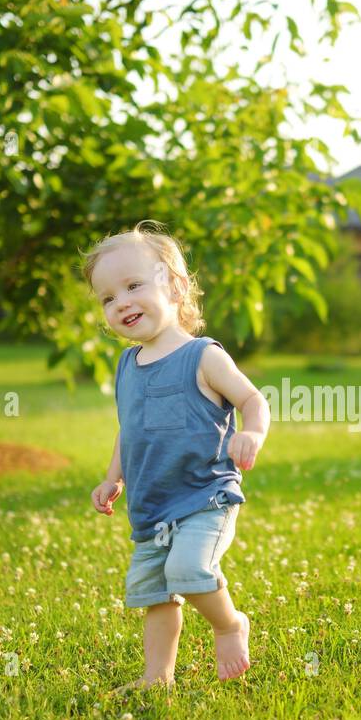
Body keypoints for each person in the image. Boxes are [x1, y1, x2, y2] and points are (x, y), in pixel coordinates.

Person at [86, 220, 270, 690]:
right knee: (157, 596)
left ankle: (229, 625)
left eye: (132, 285)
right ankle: (157, 677)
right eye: (108, 297)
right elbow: (129, 430)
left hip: (203, 497)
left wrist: (251, 432)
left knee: (189, 570)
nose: (121, 302)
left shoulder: (202, 356)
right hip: (151, 507)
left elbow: (253, 399)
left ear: (175, 285)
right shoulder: (128, 366)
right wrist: (113, 478)